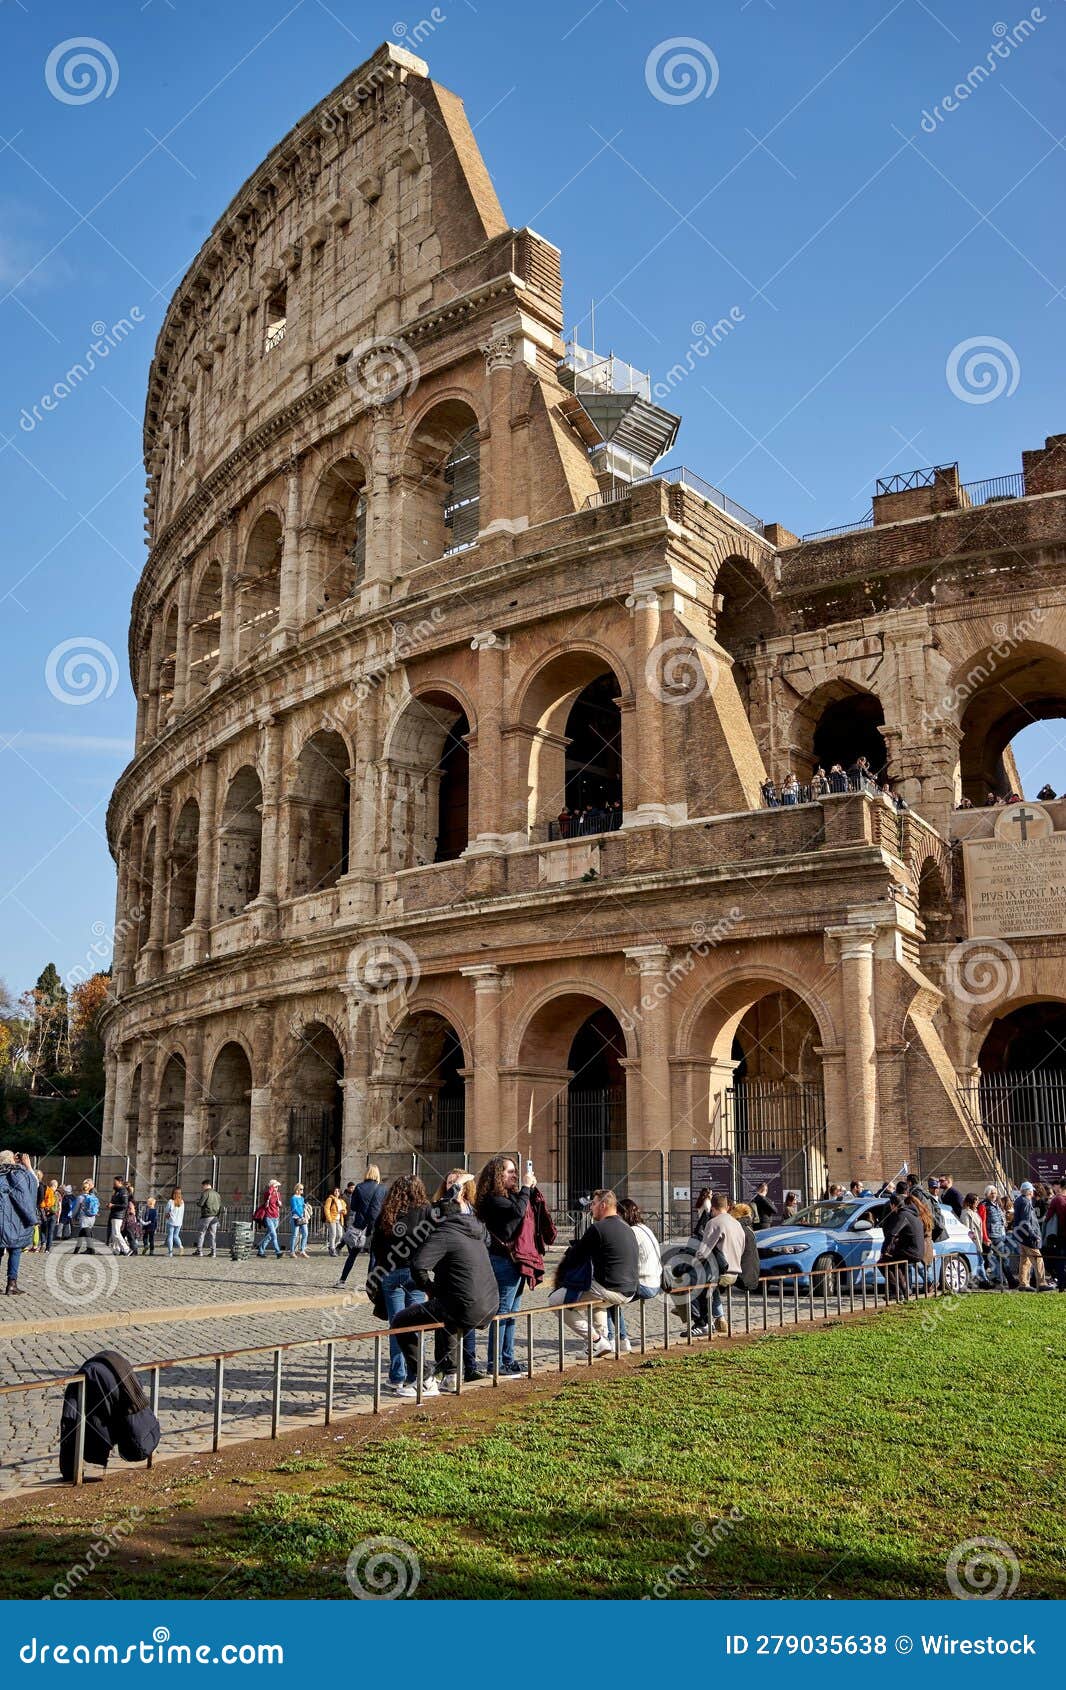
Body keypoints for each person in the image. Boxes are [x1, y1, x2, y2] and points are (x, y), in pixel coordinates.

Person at [389, 1177, 499, 1395]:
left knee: (401, 1321)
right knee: (447, 1316)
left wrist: (429, 1289)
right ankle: (451, 1376)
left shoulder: (445, 1232)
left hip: (465, 1306)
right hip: (490, 1305)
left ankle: (425, 1378)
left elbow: (419, 1266)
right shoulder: (476, 1230)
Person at [549, 1188, 639, 1355]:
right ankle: (602, 1341)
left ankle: (596, 1340)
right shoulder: (627, 1227)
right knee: (597, 1299)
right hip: (630, 1290)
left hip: (611, 1289)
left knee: (555, 1301)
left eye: (594, 1204)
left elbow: (575, 1256)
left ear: (603, 1205)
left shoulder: (598, 1228)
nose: (591, 1208)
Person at [474, 1154, 540, 1377]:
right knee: (502, 1312)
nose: (514, 1175)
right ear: (497, 1175)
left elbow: (526, 1211)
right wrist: (525, 1188)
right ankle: (494, 1362)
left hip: (516, 1260)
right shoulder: (493, 1199)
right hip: (502, 1260)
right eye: (510, 1171)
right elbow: (517, 1212)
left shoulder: (510, 1196)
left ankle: (508, 1358)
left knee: (513, 1312)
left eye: (515, 1171)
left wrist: (528, 1191)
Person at [367, 1174, 432, 1396]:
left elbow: (375, 1244)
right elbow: (431, 1241)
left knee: (397, 1326)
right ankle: (417, 1375)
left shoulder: (387, 1212)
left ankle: (397, 1377)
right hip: (415, 1274)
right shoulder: (425, 1211)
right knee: (416, 1326)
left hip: (391, 1273)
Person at [606, 1197, 661, 1352]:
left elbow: (622, 1258)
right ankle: (622, 1340)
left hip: (644, 1283)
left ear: (623, 1214)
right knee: (614, 1299)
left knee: (607, 1297)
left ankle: (611, 1339)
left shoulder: (631, 1232)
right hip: (654, 1280)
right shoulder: (644, 1228)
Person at [694, 1192, 746, 1335]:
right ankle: (720, 1317)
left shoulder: (714, 1223)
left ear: (713, 1209)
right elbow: (742, 1249)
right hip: (735, 1272)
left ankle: (700, 1321)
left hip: (720, 1273)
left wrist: (693, 1262)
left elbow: (703, 1252)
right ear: (727, 1207)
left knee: (688, 1282)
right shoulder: (737, 1224)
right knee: (712, 1288)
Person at [337, 1164, 386, 1287]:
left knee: (353, 1254)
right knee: (373, 1256)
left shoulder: (359, 1187)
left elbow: (353, 1207)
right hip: (375, 1226)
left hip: (360, 1226)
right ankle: (370, 1284)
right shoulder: (383, 1189)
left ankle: (342, 1280)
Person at [0, 1150, 38, 1296]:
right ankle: (11, 1284)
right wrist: (28, 1166)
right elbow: (30, 1191)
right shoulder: (18, 1174)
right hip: (14, 1220)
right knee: (15, 1250)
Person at [879, 1191, 924, 1296]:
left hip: (911, 1251)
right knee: (897, 1263)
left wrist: (883, 1251)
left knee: (882, 1262)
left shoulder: (902, 1215)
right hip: (917, 1251)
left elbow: (892, 1234)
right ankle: (903, 1291)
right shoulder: (912, 1214)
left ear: (893, 1205)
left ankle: (898, 1291)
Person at [1013, 1181, 1048, 1290]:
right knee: (1038, 1259)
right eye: (1032, 1190)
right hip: (1028, 1237)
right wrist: (1033, 1235)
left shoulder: (1018, 1200)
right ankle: (1042, 1283)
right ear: (1029, 1191)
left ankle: (1023, 1284)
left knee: (1025, 1260)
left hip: (1021, 1236)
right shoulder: (1026, 1202)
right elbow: (1026, 1222)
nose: (1033, 1192)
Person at [978, 1186, 1014, 1288]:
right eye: (991, 1193)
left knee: (995, 1260)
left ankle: (986, 1280)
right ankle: (1011, 1281)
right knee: (991, 1260)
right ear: (987, 1194)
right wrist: (985, 1237)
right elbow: (982, 1223)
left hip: (1000, 1235)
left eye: (995, 1193)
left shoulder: (997, 1204)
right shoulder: (984, 1205)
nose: (994, 1195)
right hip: (991, 1236)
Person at [1043, 1179, 1066, 1292]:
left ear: (1060, 1187)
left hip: (1060, 1236)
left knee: (1060, 1260)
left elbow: (1048, 1218)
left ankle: (1062, 1284)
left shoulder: (1057, 1199)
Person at [71, 1178, 101, 1255]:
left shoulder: (80, 1197)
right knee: (82, 1234)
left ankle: (92, 1250)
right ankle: (76, 1251)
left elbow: (75, 1209)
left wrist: (72, 1216)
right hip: (92, 1218)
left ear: (82, 1188)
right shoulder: (94, 1197)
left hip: (84, 1218)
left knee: (87, 1235)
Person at [255, 1178, 283, 1258]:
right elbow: (268, 1195)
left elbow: (279, 1205)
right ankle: (278, 1251)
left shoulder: (278, 1194)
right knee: (274, 1235)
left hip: (276, 1217)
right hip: (269, 1216)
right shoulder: (267, 1194)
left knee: (269, 1235)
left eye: (277, 1187)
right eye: (276, 1186)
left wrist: (280, 1204)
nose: (277, 1188)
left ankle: (261, 1251)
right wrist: (272, 1187)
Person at [195, 1180, 222, 1257]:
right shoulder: (217, 1194)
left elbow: (201, 1204)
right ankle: (213, 1252)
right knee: (213, 1235)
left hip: (206, 1216)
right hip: (215, 1217)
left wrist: (197, 1202)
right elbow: (220, 1206)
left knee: (201, 1233)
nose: (202, 1188)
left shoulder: (205, 1193)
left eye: (203, 1186)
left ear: (206, 1185)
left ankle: (199, 1251)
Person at [108, 1177, 132, 1256]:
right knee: (114, 1233)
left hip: (118, 1215)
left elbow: (125, 1205)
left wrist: (113, 1205)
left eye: (115, 1182)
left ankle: (126, 1249)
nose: (113, 1183)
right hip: (114, 1214)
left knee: (117, 1233)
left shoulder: (123, 1191)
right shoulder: (117, 1191)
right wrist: (110, 1205)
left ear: (119, 1182)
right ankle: (116, 1249)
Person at [322, 1186, 347, 1256]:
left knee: (340, 1235)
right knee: (333, 1234)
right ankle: (332, 1249)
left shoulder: (341, 1201)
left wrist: (343, 1211)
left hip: (339, 1219)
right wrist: (329, 1219)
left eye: (338, 1191)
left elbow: (345, 1210)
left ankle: (334, 1247)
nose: (336, 1192)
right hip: (332, 1219)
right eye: (335, 1191)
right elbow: (326, 1209)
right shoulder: (330, 1199)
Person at [39, 1177, 60, 1253]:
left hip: (45, 1213)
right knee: (50, 1232)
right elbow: (59, 1207)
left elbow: (41, 1201)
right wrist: (58, 1217)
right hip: (53, 1215)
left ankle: (43, 1244)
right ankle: (48, 1248)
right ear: (56, 1186)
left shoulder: (46, 1191)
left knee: (43, 1230)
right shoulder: (57, 1195)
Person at [289, 1184, 310, 1259]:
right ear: (297, 1189)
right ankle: (292, 1251)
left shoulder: (302, 1198)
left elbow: (302, 1206)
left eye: (302, 1189)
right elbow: (294, 1208)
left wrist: (305, 1207)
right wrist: (300, 1215)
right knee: (295, 1235)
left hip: (302, 1217)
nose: (302, 1190)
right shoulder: (293, 1198)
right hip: (296, 1217)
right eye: (301, 1189)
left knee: (305, 1233)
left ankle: (302, 1250)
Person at [164, 1187, 185, 1257]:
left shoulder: (170, 1201)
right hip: (179, 1222)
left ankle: (170, 1252)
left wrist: (167, 1216)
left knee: (170, 1236)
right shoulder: (182, 1202)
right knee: (176, 1236)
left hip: (171, 1221)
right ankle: (181, 1246)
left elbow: (166, 1211)